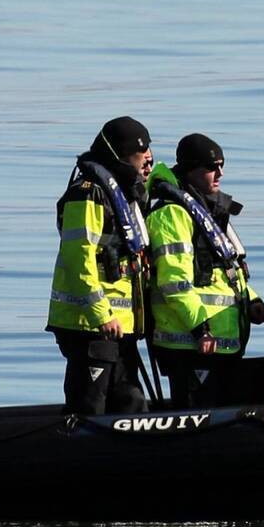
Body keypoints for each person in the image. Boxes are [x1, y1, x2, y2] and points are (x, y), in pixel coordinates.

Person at [144, 134, 264, 409]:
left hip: (219, 343)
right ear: (191, 170)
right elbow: (173, 282)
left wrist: (251, 300)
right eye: (212, 167)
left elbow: (225, 271)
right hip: (191, 344)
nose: (220, 173)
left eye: (222, 165)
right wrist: (200, 327)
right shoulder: (171, 214)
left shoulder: (205, 210)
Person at [49, 116, 154, 415]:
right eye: (141, 151)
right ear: (120, 154)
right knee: (89, 407)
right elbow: (78, 258)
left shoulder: (123, 193)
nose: (148, 158)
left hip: (119, 327)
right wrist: (101, 314)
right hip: (90, 326)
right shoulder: (89, 193)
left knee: (131, 404)